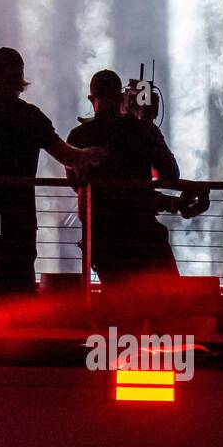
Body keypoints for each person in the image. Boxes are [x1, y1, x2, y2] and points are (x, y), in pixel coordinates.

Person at [0, 48, 105, 295]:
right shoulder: (30, 116)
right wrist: (94, 153)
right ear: (20, 75)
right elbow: (68, 156)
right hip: (19, 213)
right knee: (20, 273)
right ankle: (18, 324)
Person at [66, 69, 181, 285]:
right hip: (142, 234)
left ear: (92, 99)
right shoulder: (142, 131)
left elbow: (75, 183)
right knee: (168, 296)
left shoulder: (78, 136)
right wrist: (146, 124)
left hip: (101, 239)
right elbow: (171, 174)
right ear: (122, 97)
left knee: (118, 301)